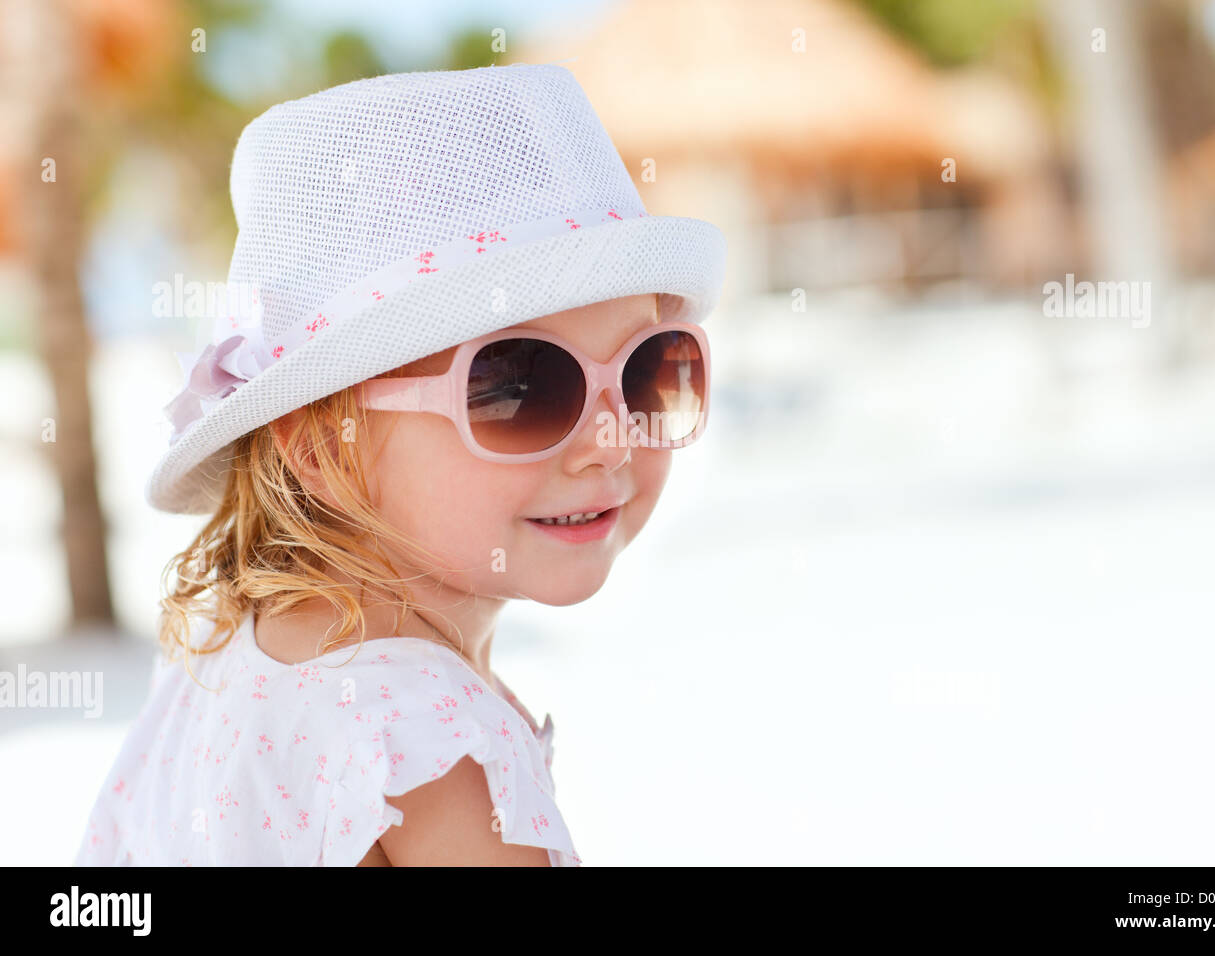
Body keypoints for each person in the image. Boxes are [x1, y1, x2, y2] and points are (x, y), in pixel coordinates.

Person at [72, 63, 726, 866]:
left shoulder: (219, 654)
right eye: (520, 386)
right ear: (317, 446)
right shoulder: (425, 738)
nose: (612, 439)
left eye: (646, 370)